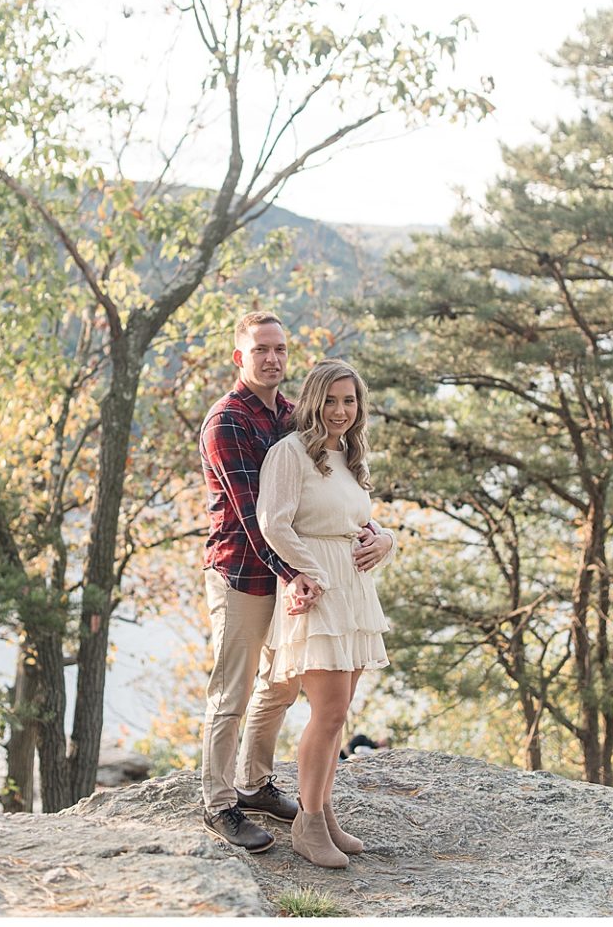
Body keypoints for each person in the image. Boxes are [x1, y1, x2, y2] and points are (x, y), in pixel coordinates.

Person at [255, 358, 395, 868]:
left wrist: (387, 540)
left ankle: (323, 811)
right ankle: (307, 822)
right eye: (331, 400)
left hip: (354, 591)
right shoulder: (290, 452)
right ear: (313, 401)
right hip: (317, 590)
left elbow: (359, 523)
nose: (340, 410)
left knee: (340, 713)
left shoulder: (349, 456)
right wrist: (310, 573)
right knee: (328, 711)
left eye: (349, 400)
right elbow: (273, 523)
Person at [195, 311, 317, 852]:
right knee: (233, 690)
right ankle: (219, 804)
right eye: (261, 349)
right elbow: (253, 516)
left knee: (283, 682)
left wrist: (372, 532)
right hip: (242, 574)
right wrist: (296, 573)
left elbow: (323, 488)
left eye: (280, 349)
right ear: (239, 357)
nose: (272, 358)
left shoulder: (292, 415)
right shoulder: (227, 421)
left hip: (285, 572)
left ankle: (254, 785)